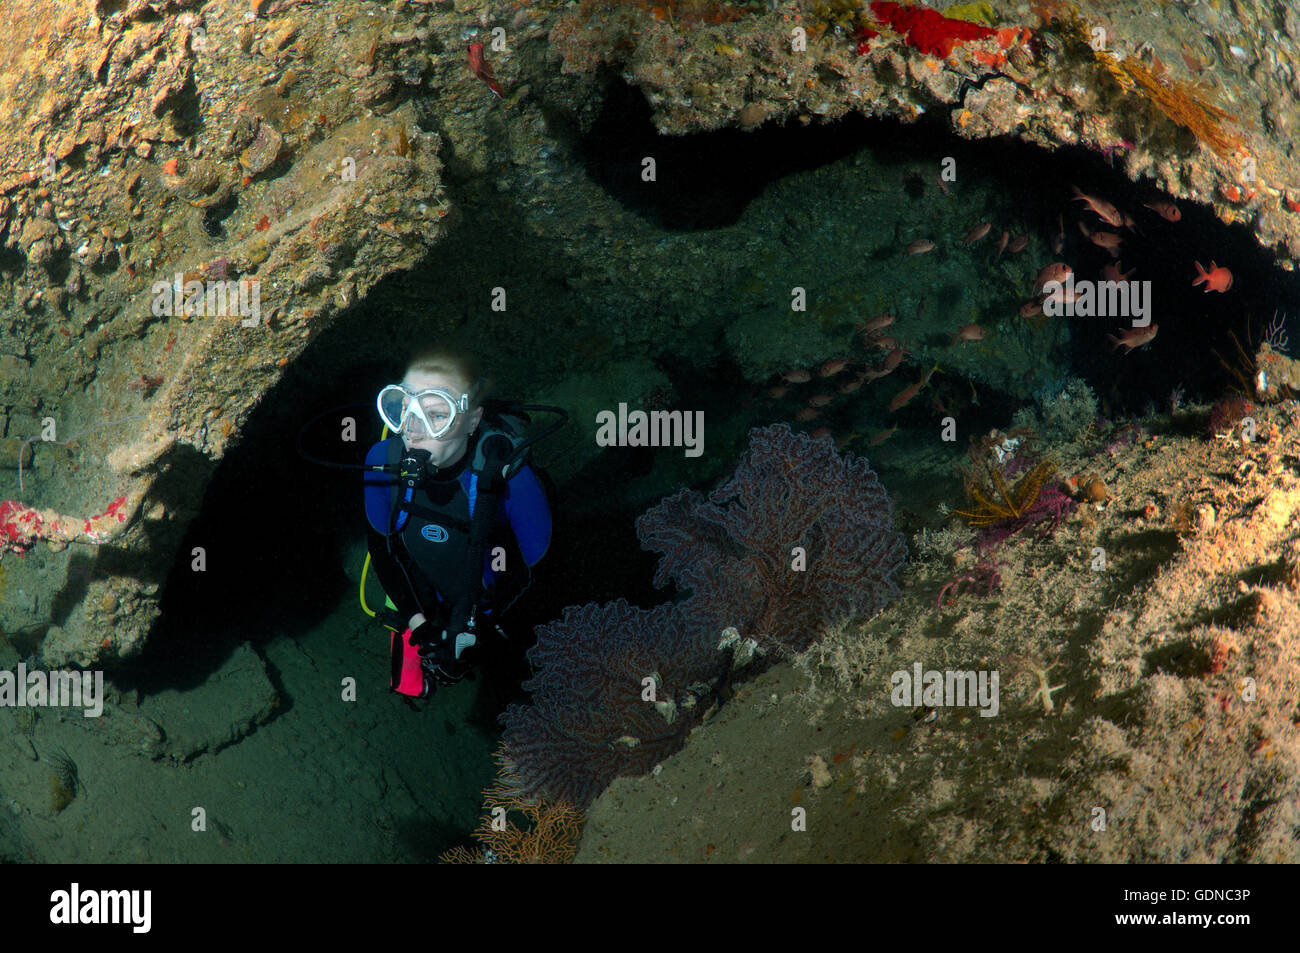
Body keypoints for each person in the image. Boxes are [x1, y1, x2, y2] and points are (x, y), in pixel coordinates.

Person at [362, 346, 552, 697]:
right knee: (408, 686)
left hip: (495, 609)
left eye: (436, 415)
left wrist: (478, 632)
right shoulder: (382, 460)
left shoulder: (510, 478)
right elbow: (384, 550)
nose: (412, 431)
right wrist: (421, 626)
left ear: (472, 420)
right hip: (422, 596)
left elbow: (541, 572)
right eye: (403, 409)